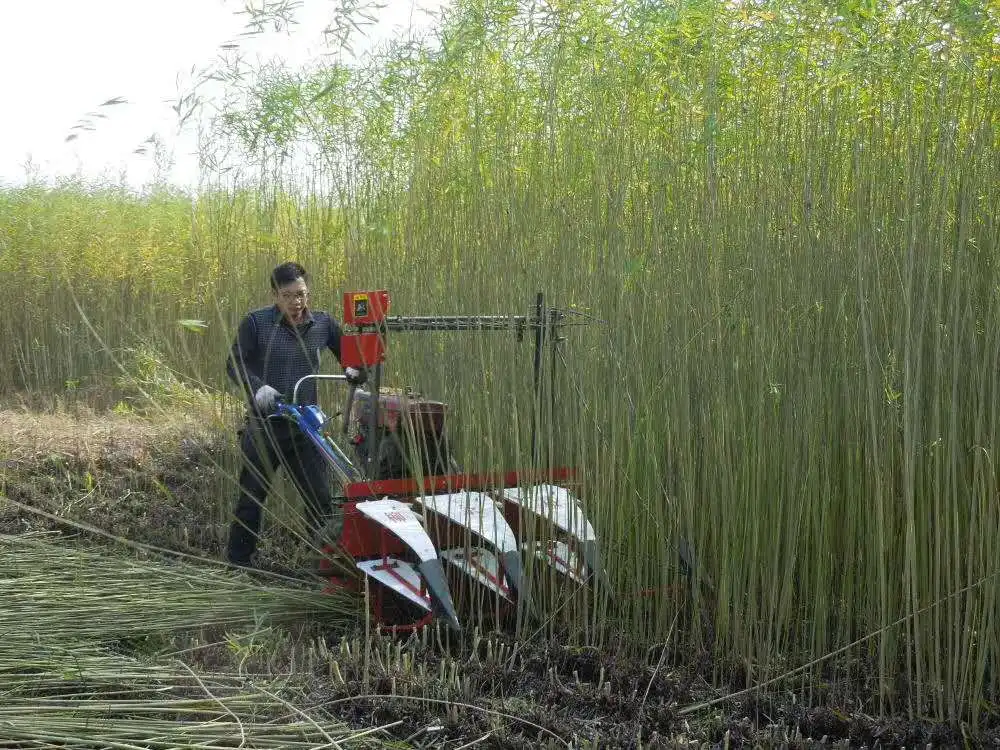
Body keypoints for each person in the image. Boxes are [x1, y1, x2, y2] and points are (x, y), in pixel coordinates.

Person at [224, 261, 363, 568]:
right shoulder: (257, 324)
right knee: (251, 498)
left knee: (320, 500)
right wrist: (257, 388)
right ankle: (238, 566)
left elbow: (350, 359)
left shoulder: (323, 324)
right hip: (265, 427)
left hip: (305, 427)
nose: (295, 302)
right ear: (275, 295)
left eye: (300, 294)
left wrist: (354, 369)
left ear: (307, 292)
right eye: (287, 295)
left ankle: (327, 567)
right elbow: (235, 363)